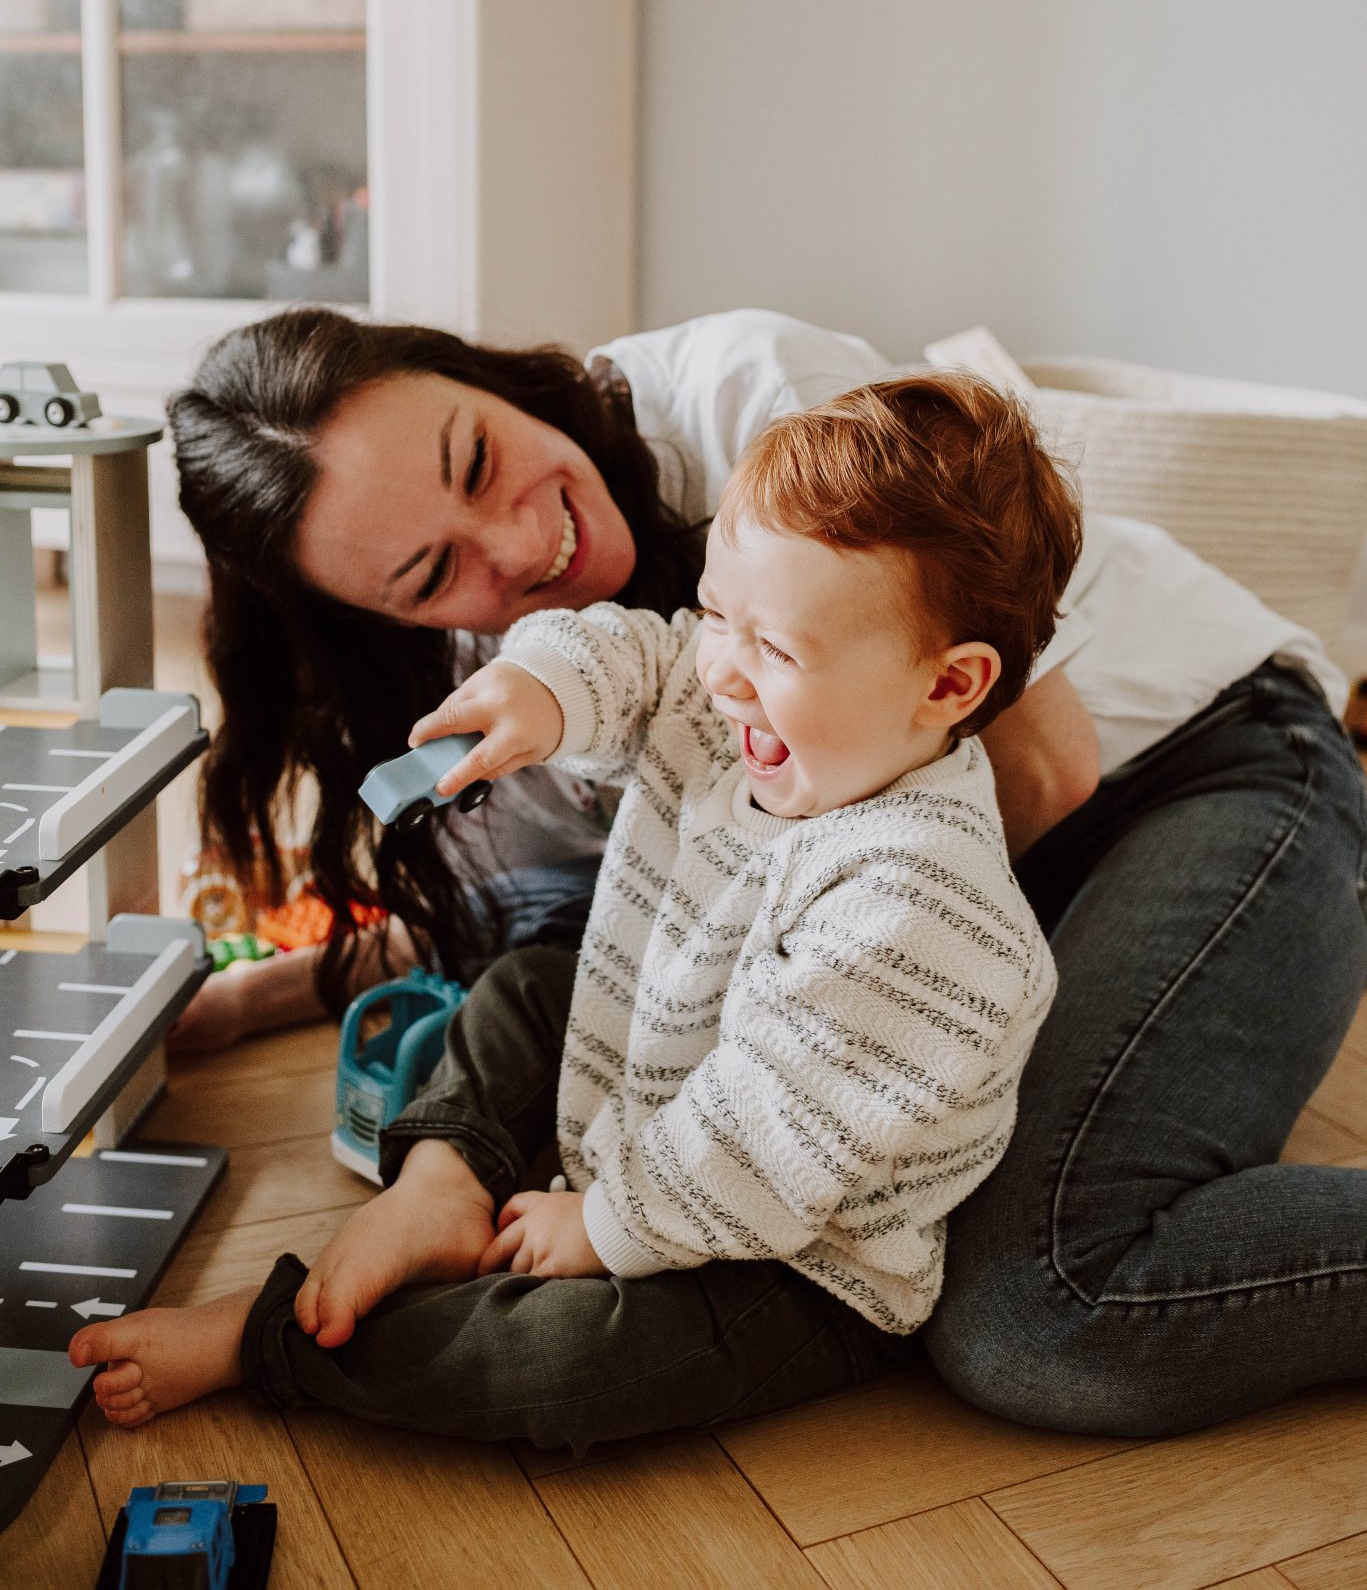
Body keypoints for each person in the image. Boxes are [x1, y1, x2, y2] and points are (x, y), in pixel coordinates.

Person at [157, 303, 1366, 1438]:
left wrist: (650, 1185)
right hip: (869, 899)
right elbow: (624, 696)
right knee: (553, 986)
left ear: (476, 373)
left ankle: (300, 1340)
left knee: (1033, 1308)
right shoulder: (708, 665)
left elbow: (1041, 774)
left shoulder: (776, 431)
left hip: (1202, 767)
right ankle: (434, 1186)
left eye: (475, 459)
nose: (520, 543)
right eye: (431, 574)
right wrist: (253, 994)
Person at [71, 373, 1076, 1437]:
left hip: (788, 1252)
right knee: (522, 990)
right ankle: (437, 1185)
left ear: (947, 686)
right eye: (717, 612)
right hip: (649, 1088)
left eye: (776, 649)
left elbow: (760, 1151)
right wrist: (540, 691)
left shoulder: (918, 901)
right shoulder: (740, 701)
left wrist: (601, 1227)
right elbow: (632, 652)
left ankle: (269, 1340)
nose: (723, 672)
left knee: (563, 1360)